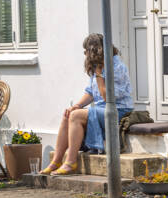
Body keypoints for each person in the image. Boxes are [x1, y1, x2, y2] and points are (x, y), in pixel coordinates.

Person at [40, 33, 134, 175]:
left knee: (76, 116)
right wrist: (76, 105)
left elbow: (107, 96)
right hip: (102, 110)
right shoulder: (98, 66)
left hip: (118, 110)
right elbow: (90, 92)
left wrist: (99, 75)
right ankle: (56, 161)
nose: (84, 54)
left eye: (86, 50)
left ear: (95, 50)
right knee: (69, 114)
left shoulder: (116, 67)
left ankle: (70, 162)